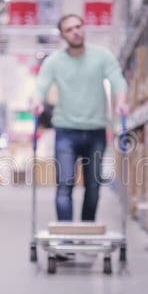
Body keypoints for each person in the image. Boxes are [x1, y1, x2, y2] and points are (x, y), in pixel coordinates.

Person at [31, 14, 130, 222]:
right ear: (62, 35)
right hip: (66, 131)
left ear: (84, 28)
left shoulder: (102, 56)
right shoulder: (54, 61)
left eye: (78, 27)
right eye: (69, 29)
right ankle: (66, 238)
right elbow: (41, 85)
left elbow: (118, 81)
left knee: (93, 187)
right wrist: (37, 101)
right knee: (64, 185)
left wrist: (121, 101)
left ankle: (87, 232)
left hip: (96, 131)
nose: (75, 32)